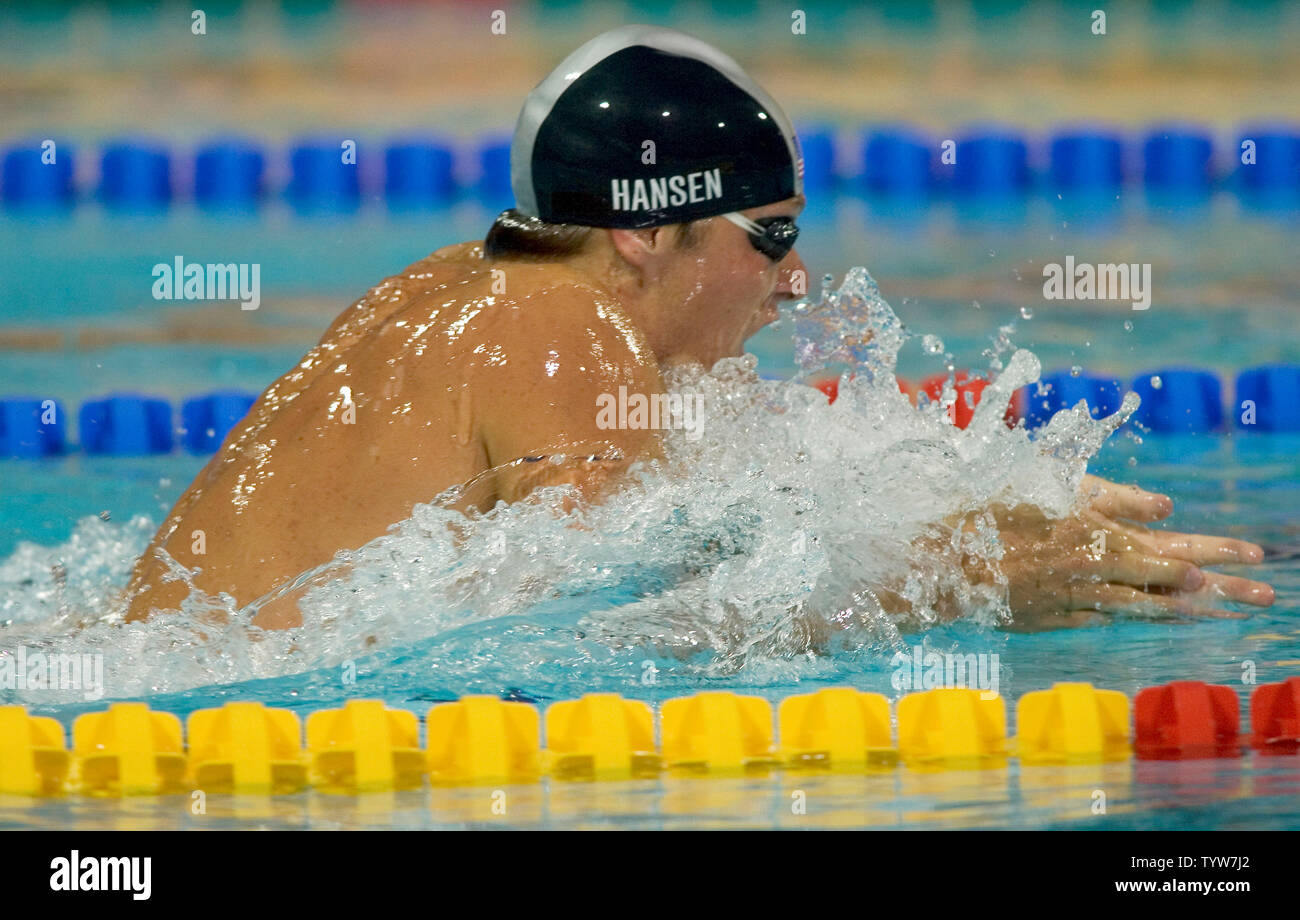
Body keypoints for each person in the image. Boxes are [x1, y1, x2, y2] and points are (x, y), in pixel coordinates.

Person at [124, 25, 1273, 631]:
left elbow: (635, 548)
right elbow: (599, 641)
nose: (793, 280)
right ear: (643, 230)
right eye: (766, 237)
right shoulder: (557, 335)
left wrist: (938, 506)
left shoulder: (475, 289)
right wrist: (966, 578)